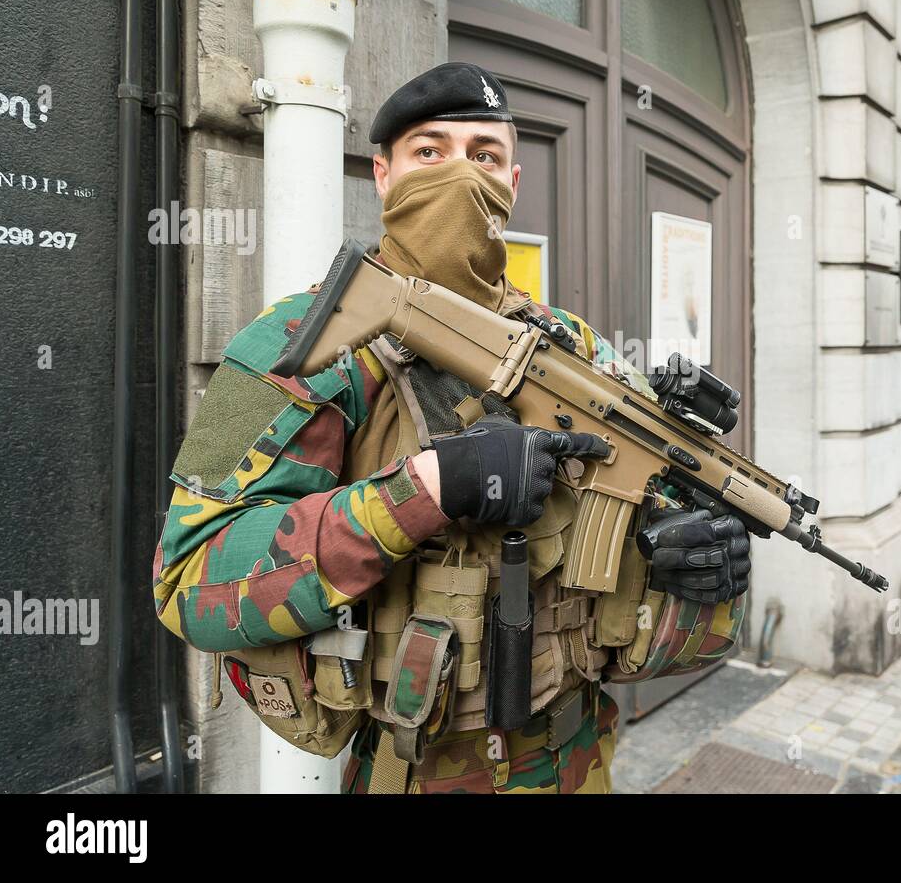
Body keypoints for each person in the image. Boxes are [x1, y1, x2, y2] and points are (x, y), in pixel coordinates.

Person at [152, 62, 751, 794]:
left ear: (513, 183)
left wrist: (681, 547)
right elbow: (189, 580)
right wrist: (428, 488)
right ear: (382, 172)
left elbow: (640, 502)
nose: (462, 176)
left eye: (485, 156)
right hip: (417, 771)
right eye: (430, 152)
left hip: (580, 757)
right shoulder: (305, 344)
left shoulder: (570, 344)